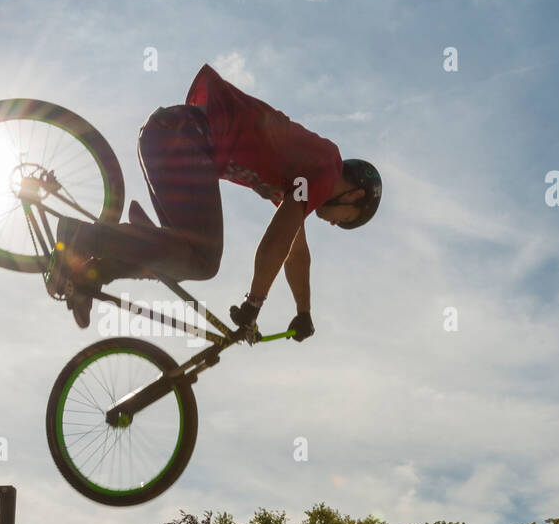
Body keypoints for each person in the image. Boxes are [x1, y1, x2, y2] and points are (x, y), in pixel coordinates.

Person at [50, 63, 382, 334]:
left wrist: (304, 311)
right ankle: (83, 236)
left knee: (181, 262)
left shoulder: (302, 181)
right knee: (204, 260)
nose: (336, 224)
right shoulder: (326, 167)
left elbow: (296, 251)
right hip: (184, 138)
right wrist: (254, 304)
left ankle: (87, 273)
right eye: (347, 220)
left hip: (169, 137)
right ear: (354, 194)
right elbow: (277, 242)